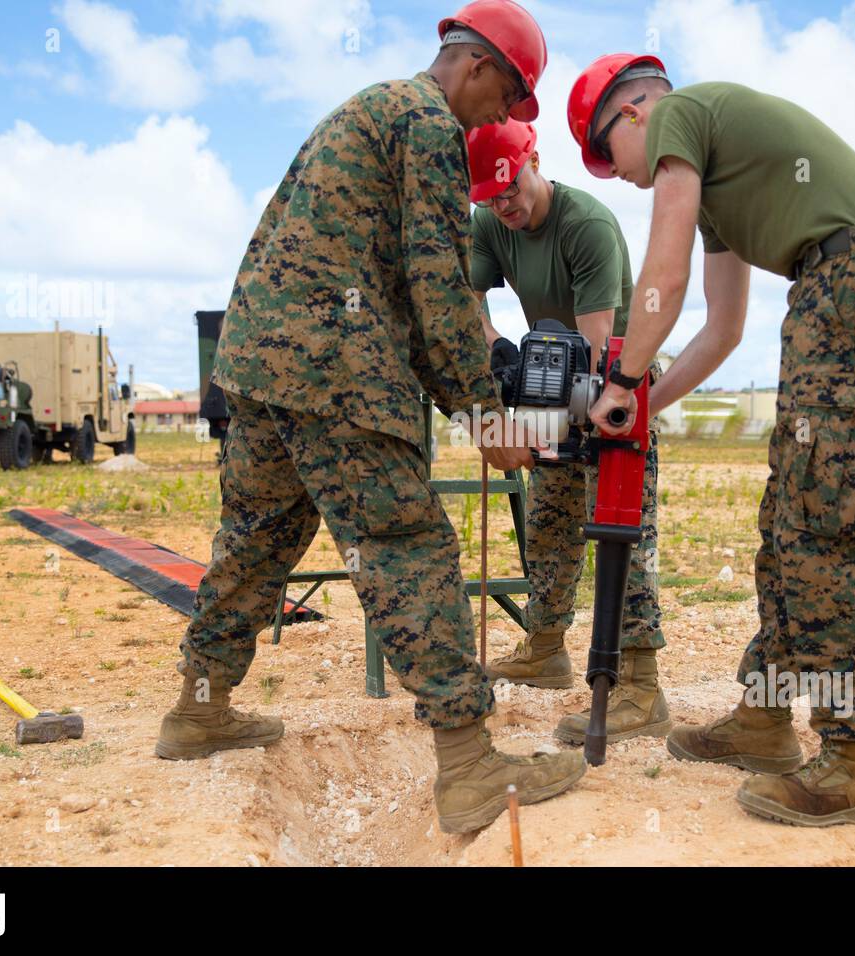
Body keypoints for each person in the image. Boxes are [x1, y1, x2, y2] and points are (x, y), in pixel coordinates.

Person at [157, 0, 587, 836]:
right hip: (336, 365)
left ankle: (198, 710)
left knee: (257, 538)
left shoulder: (367, 110)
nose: (503, 116)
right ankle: (468, 764)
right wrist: (484, 413)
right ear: (473, 64)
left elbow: (401, 285)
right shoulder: (425, 124)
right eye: (508, 94)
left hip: (260, 361)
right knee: (407, 543)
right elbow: (435, 282)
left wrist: (472, 401)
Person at [567, 53, 855, 826]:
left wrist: (621, 382)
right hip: (839, 290)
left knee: (825, 531)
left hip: (853, 288)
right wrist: (642, 403)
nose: (626, 180)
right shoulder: (714, 176)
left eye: (613, 159)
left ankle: (854, 761)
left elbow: (659, 278)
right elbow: (723, 327)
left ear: (632, 112)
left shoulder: (677, 117)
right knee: (790, 522)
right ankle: (766, 718)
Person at [466, 118, 669, 746]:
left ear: (535, 159)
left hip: (610, 380)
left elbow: (596, 341)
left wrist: (564, 390)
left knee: (620, 527)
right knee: (549, 522)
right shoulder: (490, 223)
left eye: (515, 187)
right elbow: (464, 299)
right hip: (542, 378)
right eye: (494, 198)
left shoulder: (586, 225)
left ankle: (639, 682)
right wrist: (499, 349)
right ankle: (546, 646)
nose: (508, 205)